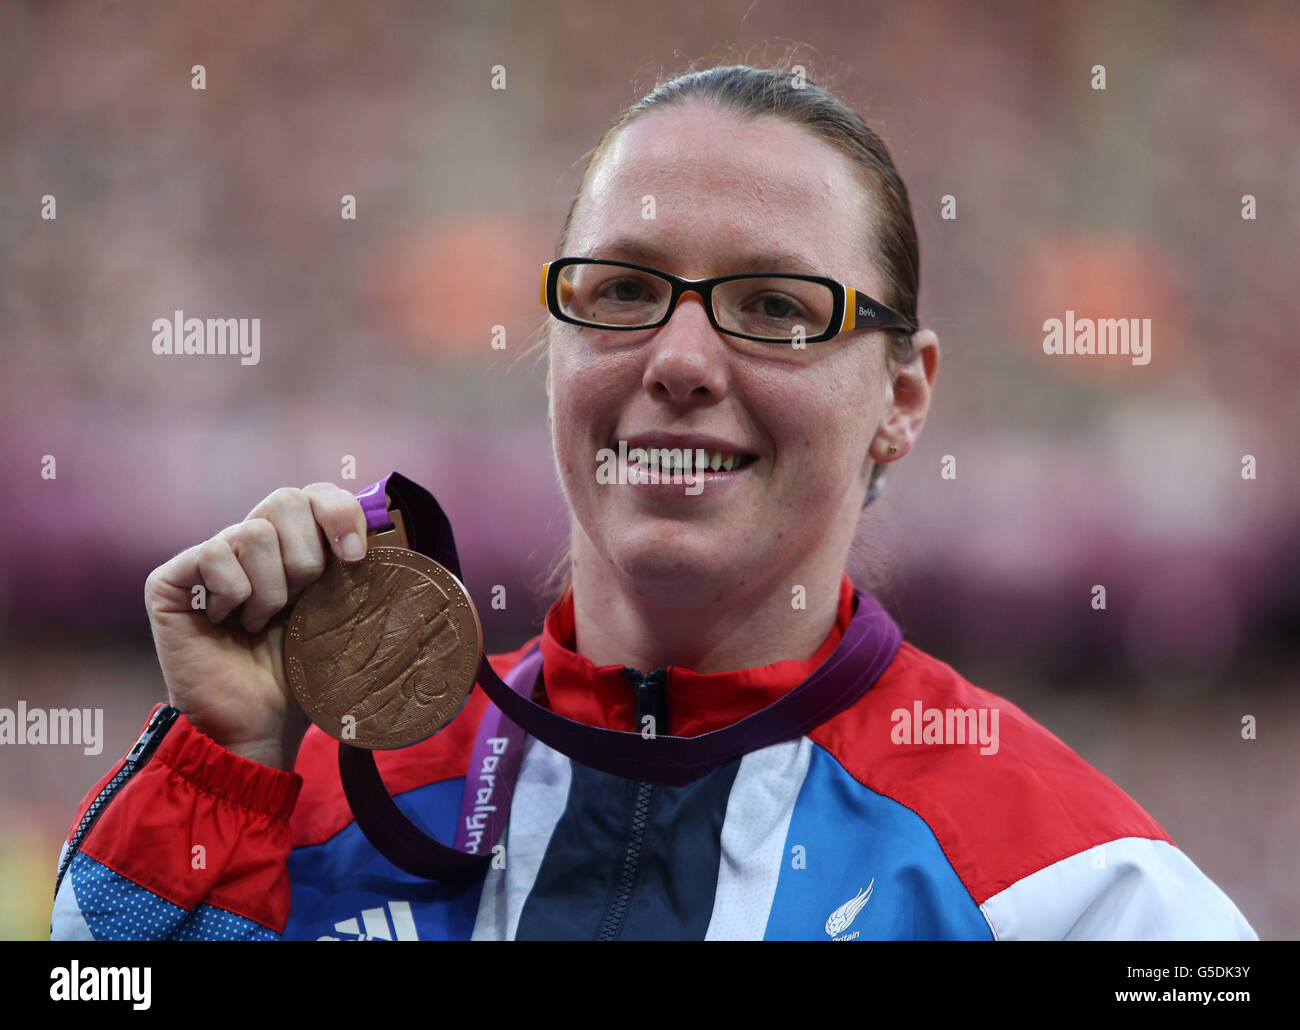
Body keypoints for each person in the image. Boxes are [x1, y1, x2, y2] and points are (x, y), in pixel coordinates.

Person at [51, 63, 1255, 941]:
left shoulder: (1078, 891)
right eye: (622, 289)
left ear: (903, 392)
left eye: (776, 306)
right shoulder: (314, 798)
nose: (677, 359)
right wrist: (218, 767)